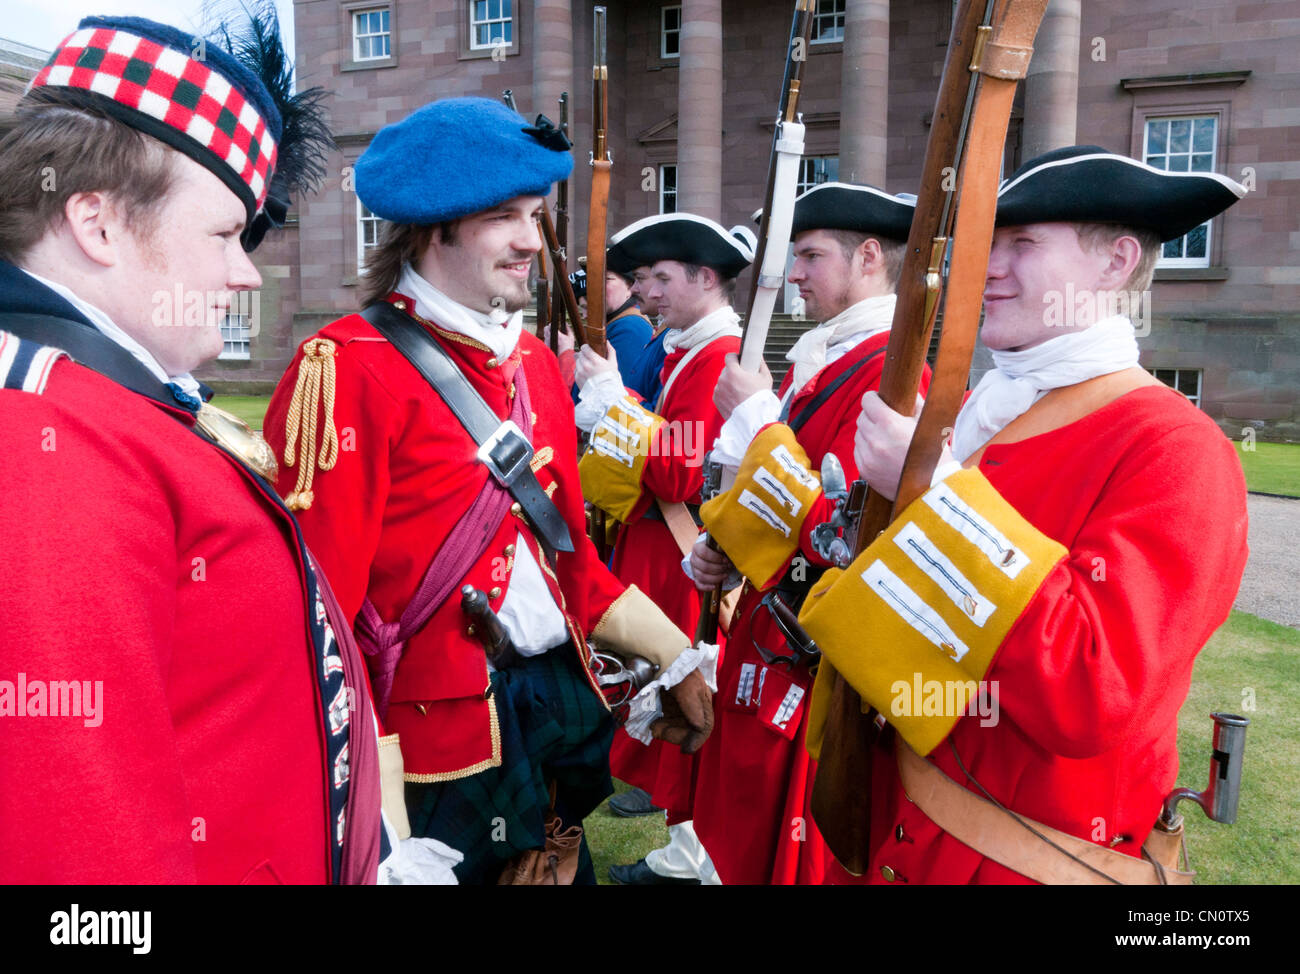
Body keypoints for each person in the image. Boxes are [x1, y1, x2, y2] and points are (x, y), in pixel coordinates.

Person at [262, 97, 715, 885]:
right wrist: (377, 824)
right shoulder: (344, 370)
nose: (528, 241)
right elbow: (316, 623)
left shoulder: (537, 365)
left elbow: (570, 557)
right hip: (435, 749)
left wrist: (672, 656)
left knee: (595, 873)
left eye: (534, 215)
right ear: (433, 227)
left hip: (566, 711)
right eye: (505, 216)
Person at [797, 145, 1249, 884]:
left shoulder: (1178, 446)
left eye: (1024, 243)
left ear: (1116, 263)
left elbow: (1090, 694)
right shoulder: (988, 410)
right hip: (909, 829)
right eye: (989, 243)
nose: (990, 267)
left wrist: (931, 495)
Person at [0, 13, 382, 883]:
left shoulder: (107, 408)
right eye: (222, 235)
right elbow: (83, 869)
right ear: (96, 224)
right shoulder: (45, 437)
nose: (247, 272)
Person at [687, 183, 924, 884]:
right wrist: (727, 550)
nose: (793, 274)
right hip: (771, 631)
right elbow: (780, 505)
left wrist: (761, 419)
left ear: (870, 258)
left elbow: (840, 543)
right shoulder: (823, 359)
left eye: (812, 255)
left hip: (814, 657)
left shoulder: (891, 373)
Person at [576, 213, 755, 884]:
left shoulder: (720, 356)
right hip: (660, 558)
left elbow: (680, 471)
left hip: (686, 567)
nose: (646, 291)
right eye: (643, 278)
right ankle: (653, 841)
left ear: (706, 278)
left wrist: (608, 401)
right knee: (651, 706)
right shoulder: (686, 348)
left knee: (681, 713)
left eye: (659, 277)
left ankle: (671, 861)